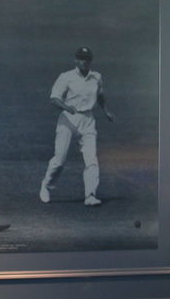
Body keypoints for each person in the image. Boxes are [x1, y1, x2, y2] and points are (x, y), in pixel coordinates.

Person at [39, 47, 114, 206]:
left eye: (86, 59)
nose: (84, 62)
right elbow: (54, 98)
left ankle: (90, 195)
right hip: (68, 120)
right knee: (59, 161)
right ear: (76, 60)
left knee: (91, 159)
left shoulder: (96, 77)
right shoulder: (66, 77)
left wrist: (106, 111)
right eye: (81, 58)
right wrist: (67, 107)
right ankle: (46, 185)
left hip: (88, 120)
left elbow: (100, 95)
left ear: (90, 61)